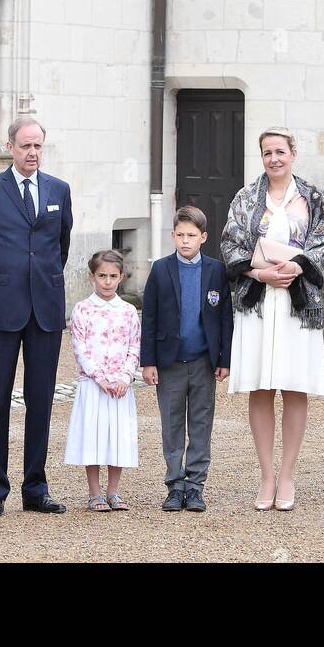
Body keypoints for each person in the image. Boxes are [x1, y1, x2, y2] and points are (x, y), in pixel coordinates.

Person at [0, 117, 73, 517]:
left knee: (41, 399)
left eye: (38, 147)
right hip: (1, 308)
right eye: (25, 146)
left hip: (44, 308)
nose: (32, 153)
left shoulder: (59, 190)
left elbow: (60, 245)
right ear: (10, 147)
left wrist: (41, 281)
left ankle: (36, 487)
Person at [222, 129, 324, 512]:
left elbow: (322, 244)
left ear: (293, 153)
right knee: (261, 387)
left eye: (280, 151)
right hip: (258, 302)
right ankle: (266, 475)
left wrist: (297, 266)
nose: (274, 159)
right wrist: (259, 275)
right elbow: (230, 244)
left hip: (298, 303)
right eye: (267, 153)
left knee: (294, 386)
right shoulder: (246, 197)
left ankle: (287, 474)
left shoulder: (311, 196)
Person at [142, 206, 233, 513]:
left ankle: (195, 485)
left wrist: (225, 358)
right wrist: (148, 361)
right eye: (180, 235)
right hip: (169, 363)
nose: (185, 241)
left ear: (203, 237)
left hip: (203, 361)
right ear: (172, 235)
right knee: (171, 425)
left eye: (191, 235)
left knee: (201, 422)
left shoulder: (216, 270)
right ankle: (174, 484)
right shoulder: (160, 269)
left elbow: (224, 317)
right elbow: (150, 318)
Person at [64, 249, 140, 512]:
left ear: (121, 277)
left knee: (117, 437)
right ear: (92, 277)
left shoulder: (128, 311)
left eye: (112, 276)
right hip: (93, 384)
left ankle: (113, 491)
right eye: (102, 276)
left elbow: (134, 347)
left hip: (119, 385)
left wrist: (125, 376)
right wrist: (98, 377)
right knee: (93, 436)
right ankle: (94, 492)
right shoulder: (82, 309)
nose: (107, 281)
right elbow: (79, 347)